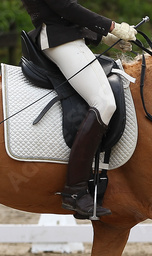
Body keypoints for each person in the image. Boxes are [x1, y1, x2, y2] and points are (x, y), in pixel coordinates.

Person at [20, 0, 137, 219]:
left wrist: (104, 37)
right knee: (104, 103)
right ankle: (74, 191)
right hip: (59, 42)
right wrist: (112, 27)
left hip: (68, 39)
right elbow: (65, 8)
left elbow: (66, 17)